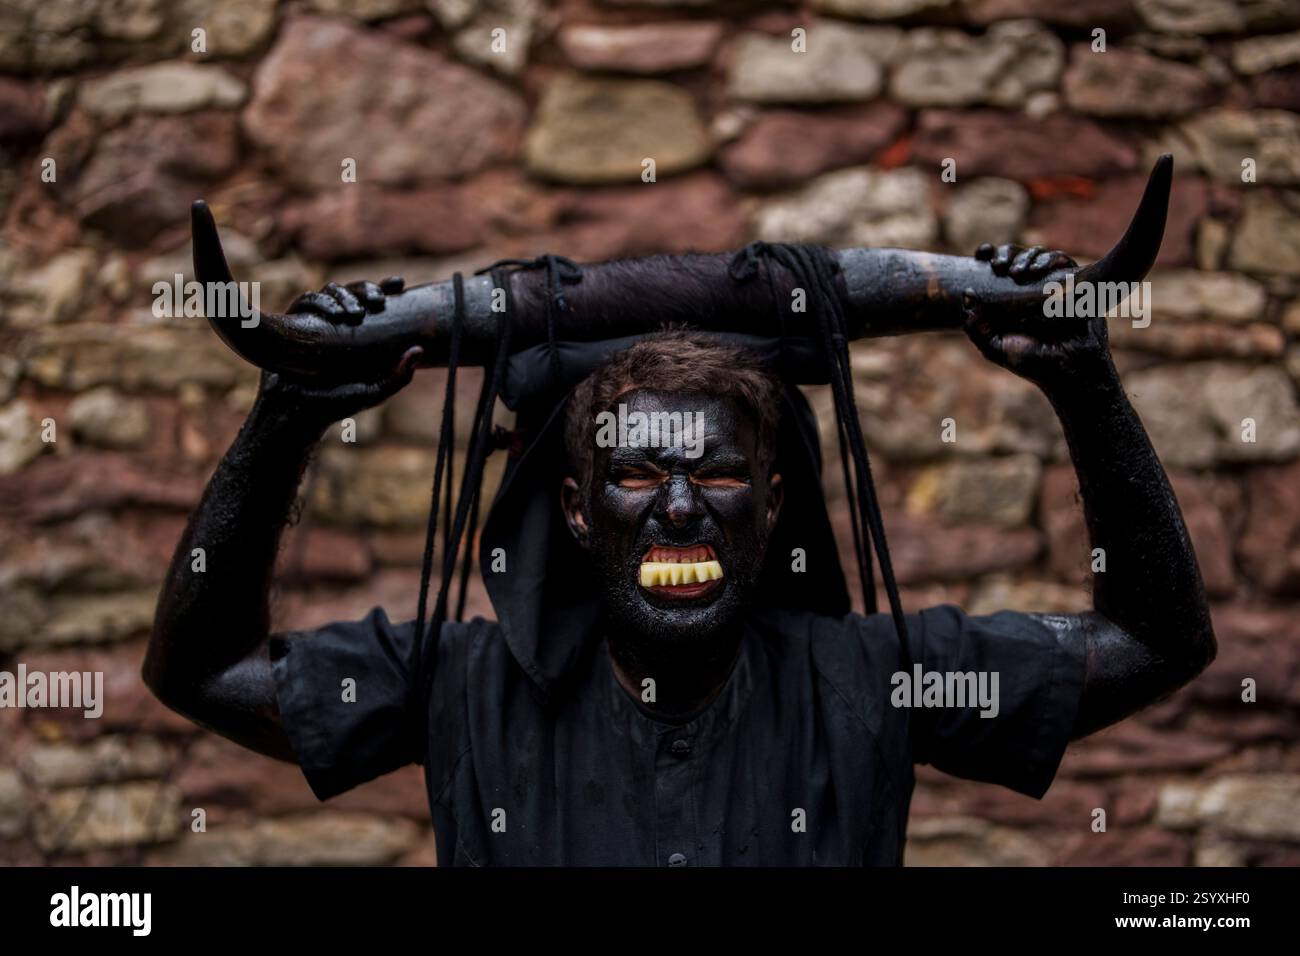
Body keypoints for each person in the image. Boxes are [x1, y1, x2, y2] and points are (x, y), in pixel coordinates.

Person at [143, 244, 1215, 866]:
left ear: (773, 502)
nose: (680, 509)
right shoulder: (460, 682)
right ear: (574, 506)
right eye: (636, 475)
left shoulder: (874, 674)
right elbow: (200, 669)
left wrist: (1084, 384)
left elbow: (1152, 639)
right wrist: (284, 418)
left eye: (718, 474)